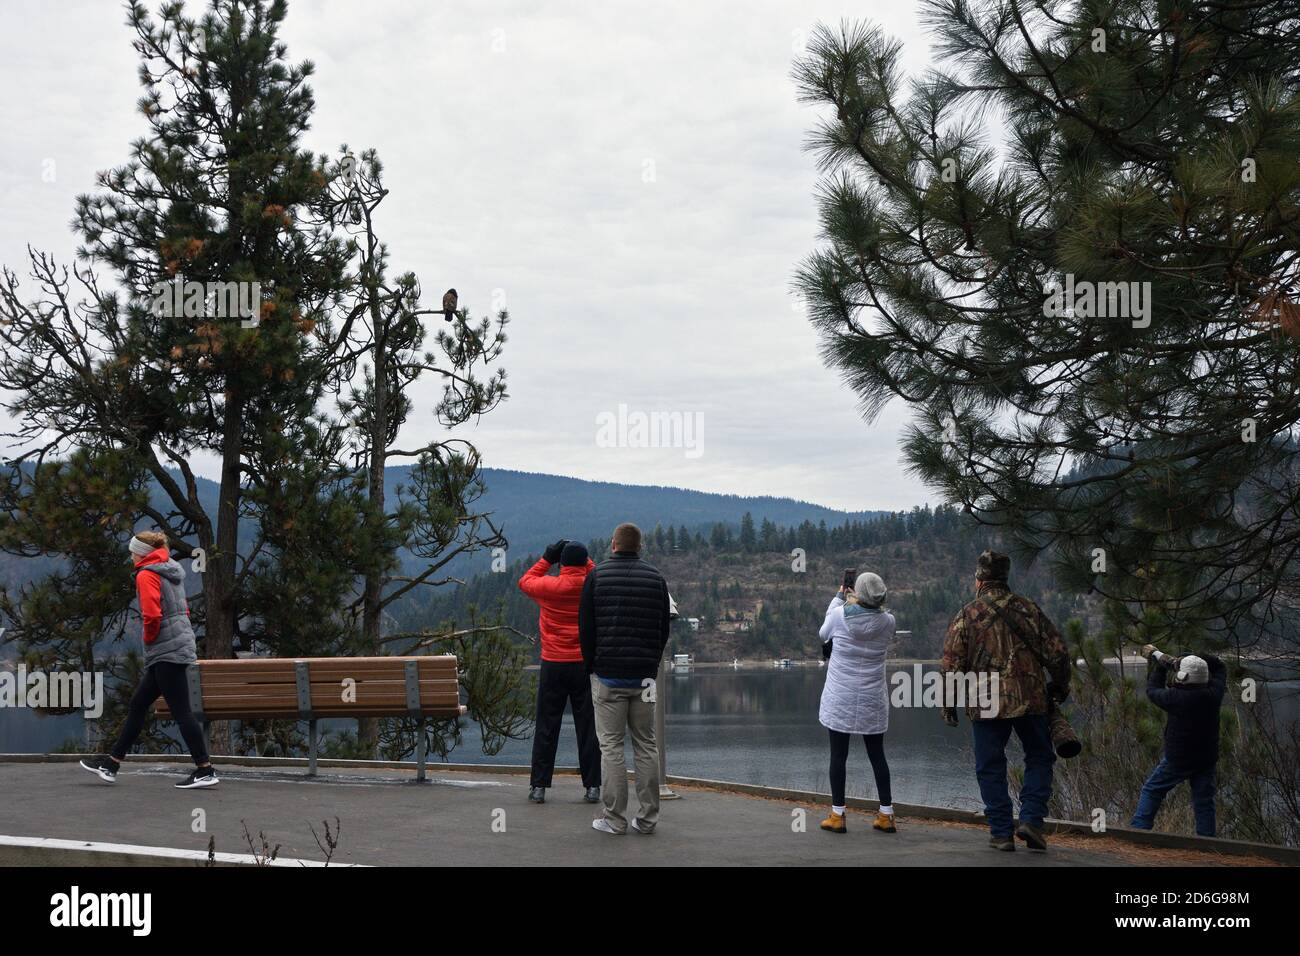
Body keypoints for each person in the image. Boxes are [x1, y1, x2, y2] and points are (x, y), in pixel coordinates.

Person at [940, 550, 1069, 851]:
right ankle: (1032, 820)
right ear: (1005, 576)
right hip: (1030, 698)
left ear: (979, 579)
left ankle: (1000, 832)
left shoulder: (967, 614)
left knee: (990, 766)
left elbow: (951, 665)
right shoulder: (1029, 609)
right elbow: (1058, 653)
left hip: (986, 702)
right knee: (1039, 757)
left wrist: (949, 705)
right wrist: (1059, 688)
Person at [80, 531, 218, 789]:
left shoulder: (146, 574)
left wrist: (150, 638)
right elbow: (183, 608)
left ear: (141, 553)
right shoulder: (171, 569)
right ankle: (112, 763)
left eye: (132, 551)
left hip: (166, 649)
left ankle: (205, 769)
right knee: (138, 705)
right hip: (177, 644)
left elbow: (152, 615)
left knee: (181, 711)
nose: (130, 555)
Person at [579, 522, 671, 835]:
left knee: (612, 748)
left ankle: (614, 819)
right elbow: (663, 629)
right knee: (646, 745)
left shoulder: (597, 576)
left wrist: (591, 665)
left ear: (614, 544)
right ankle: (647, 820)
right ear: (639, 546)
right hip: (645, 679)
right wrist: (650, 664)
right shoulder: (656, 578)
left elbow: (586, 628)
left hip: (608, 676)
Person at [517, 538, 600, 805]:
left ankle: (539, 786)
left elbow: (525, 580)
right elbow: (596, 571)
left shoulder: (549, 587)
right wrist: (584, 560)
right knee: (587, 727)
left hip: (553, 664)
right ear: (584, 563)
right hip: (583, 665)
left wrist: (547, 557)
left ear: (561, 563)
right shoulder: (592, 585)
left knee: (547, 724)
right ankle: (592, 787)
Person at [817, 571, 897, 834]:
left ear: (856, 593)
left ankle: (838, 815)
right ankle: (886, 815)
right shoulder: (888, 622)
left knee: (838, 756)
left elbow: (823, 633)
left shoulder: (840, 615)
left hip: (841, 696)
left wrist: (839, 597)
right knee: (878, 756)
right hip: (872, 698)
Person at [1129, 646, 1226, 837]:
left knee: (1152, 790)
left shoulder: (1175, 697)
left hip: (1178, 759)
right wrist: (1198, 657)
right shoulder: (1214, 694)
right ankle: (1206, 842)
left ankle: (1139, 831)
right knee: (1203, 801)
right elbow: (1220, 667)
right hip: (1206, 758)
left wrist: (1161, 666)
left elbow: (1152, 690)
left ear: (1182, 677)